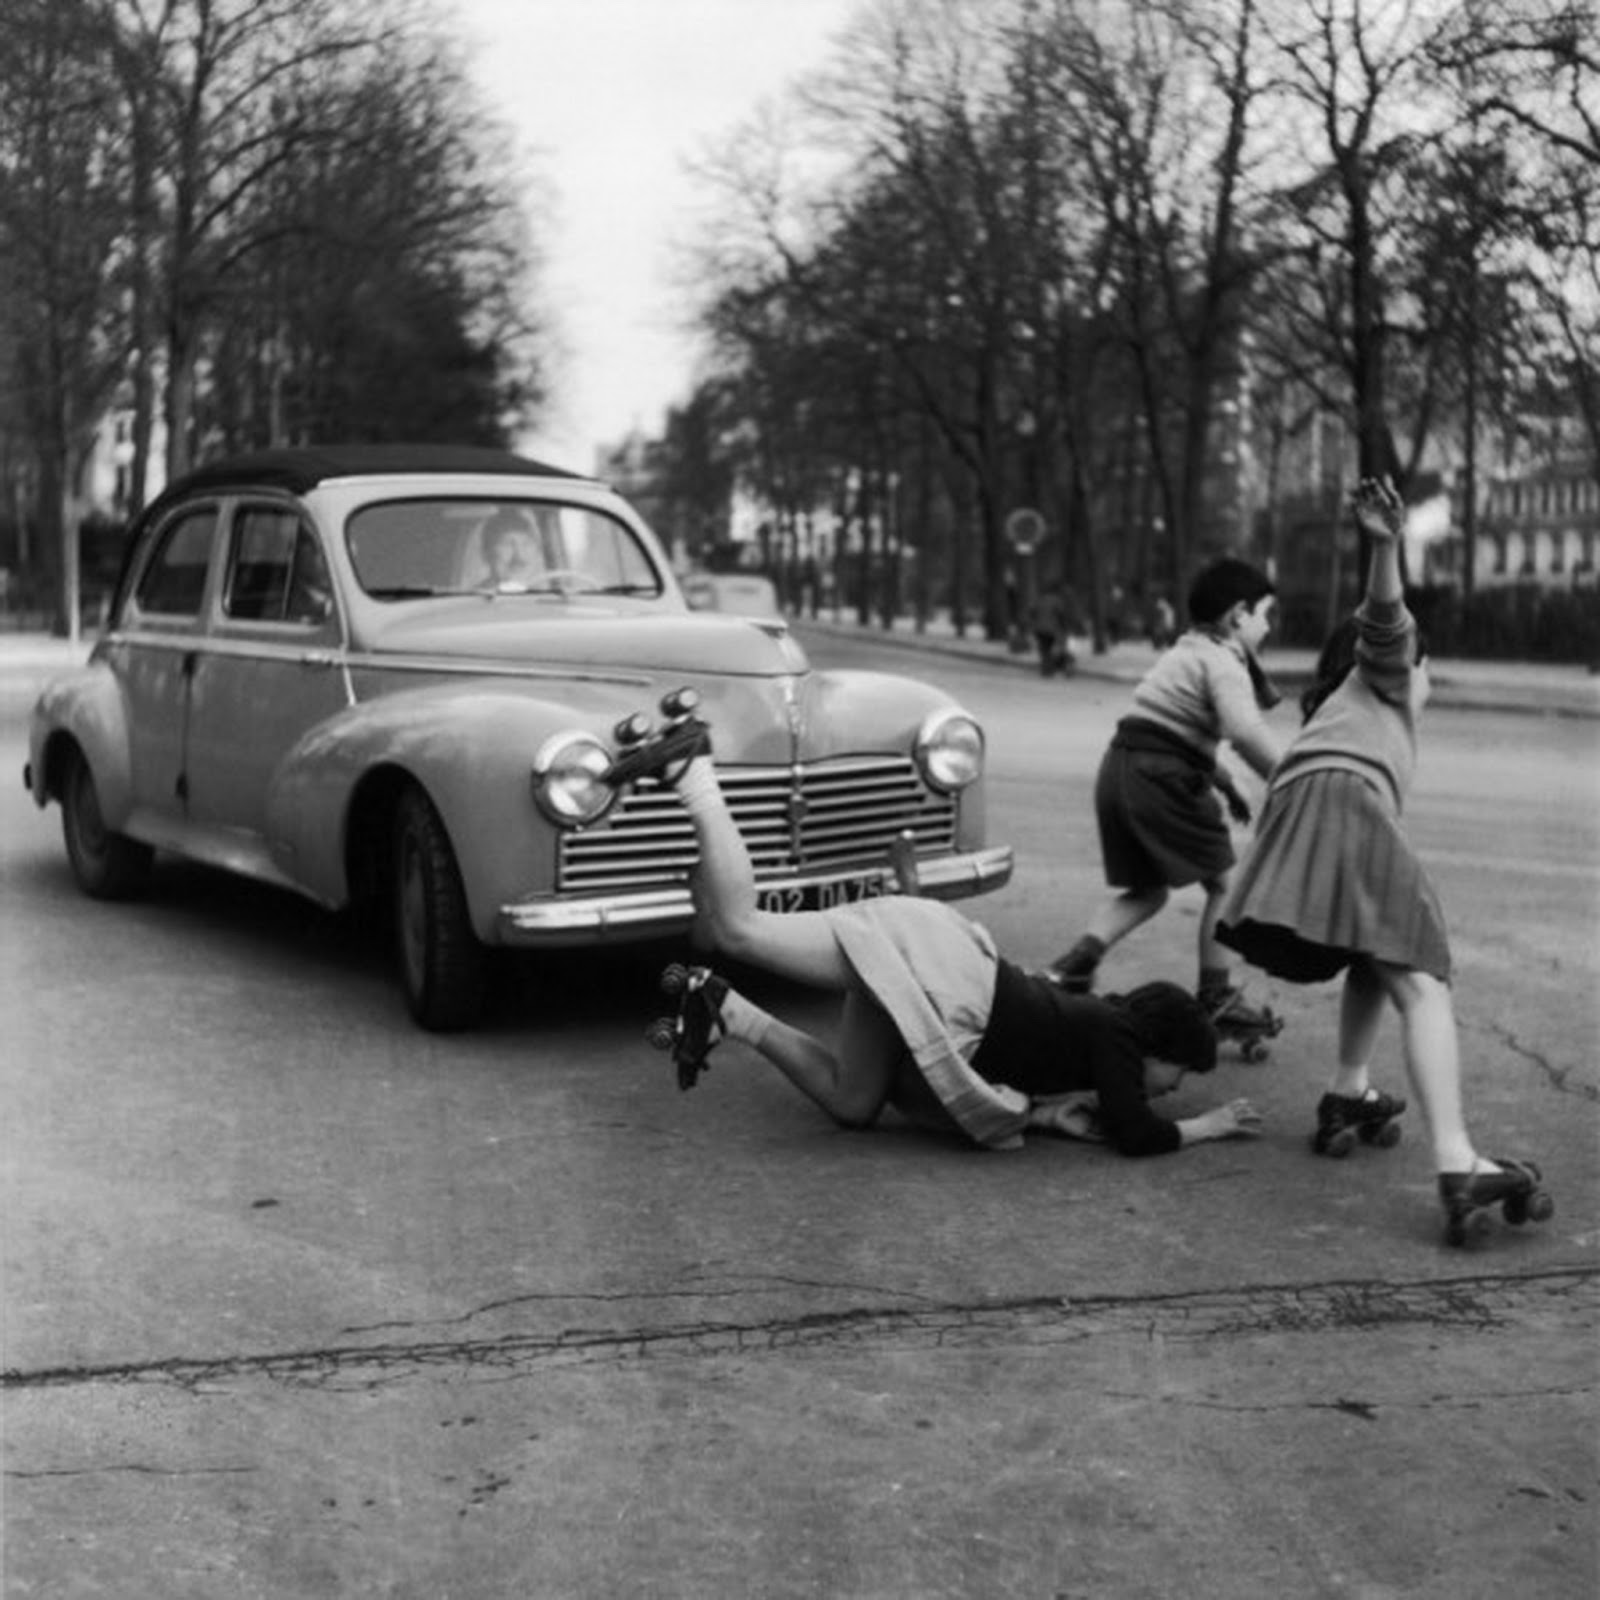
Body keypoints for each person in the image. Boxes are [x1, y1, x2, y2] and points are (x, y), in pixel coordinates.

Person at [606, 712, 1263, 1156]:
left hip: (938, 978)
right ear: (1158, 1043)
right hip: (938, 974)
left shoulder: (1099, 1028)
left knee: (852, 1103)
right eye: (1178, 1073)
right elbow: (1137, 1132)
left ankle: (729, 1009)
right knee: (741, 930)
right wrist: (1210, 1125)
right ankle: (693, 776)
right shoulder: (1115, 1039)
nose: (1174, 1089)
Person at [1216, 477, 1552, 1245]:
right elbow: (1386, 622)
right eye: (1424, 666)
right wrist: (1384, 545)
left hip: (1302, 805)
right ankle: (1458, 1160)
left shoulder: (1340, 710)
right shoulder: (1386, 670)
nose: (1425, 679)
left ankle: (1349, 1091)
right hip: (1343, 802)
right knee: (1424, 977)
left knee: (1378, 956)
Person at [1047, 557, 1285, 1035]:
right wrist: (1291, 779)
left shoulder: (1185, 651)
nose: (1268, 627)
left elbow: (1167, 725)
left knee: (1148, 891)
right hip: (1162, 779)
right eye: (1265, 615)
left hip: (1120, 770)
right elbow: (1244, 731)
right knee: (1228, 885)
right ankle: (1217, 994)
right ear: (1238, 615)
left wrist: (1222, 780)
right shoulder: (1224, 661)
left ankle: (1073, 966)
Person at [478, 508, 544, 587]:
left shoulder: (547, 594)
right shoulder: (473, 597)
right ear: (486, 553)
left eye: (526, 544)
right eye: (507, 544)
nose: (519, 555)